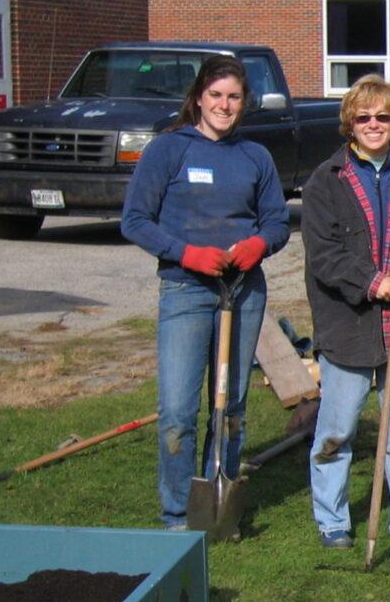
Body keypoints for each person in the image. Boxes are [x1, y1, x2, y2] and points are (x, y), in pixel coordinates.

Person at [122, 54, 290, 530]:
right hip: (186, 289)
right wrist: (186, 253)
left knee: (231, 405)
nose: (224, 105)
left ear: (245, 102)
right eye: (216, 95)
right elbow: (135, 221)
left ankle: (219, 504)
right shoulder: (169, 150)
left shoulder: (254, 156)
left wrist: (258, 244)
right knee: (178, 409)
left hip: (241, 291)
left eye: (234, 97)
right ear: (199, 97)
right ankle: (178, 513)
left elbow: (276, 221)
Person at [302, 75, 390, 552]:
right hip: (349, 323)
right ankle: (332, 521)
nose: (373, 124)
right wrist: (371, 282)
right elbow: (323, 255)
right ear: (350, 123)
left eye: (382, 117)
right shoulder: (327, 180)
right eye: (363, 117)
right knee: (337, 430)